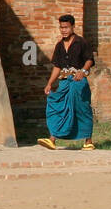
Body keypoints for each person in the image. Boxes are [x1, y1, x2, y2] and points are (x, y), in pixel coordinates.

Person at [39, 13, 95, 150]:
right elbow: (57, 66)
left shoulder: (81, 42)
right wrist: (50, 83)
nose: (64, 30)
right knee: (58, 107)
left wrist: (83, 71)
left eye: (66, 27)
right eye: (61, 27)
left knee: (82, 109)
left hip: (78, 82)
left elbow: (89, 59)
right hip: (64, 82)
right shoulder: (59, 46)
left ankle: (88, 141)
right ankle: (52, 139)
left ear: (73, 27)